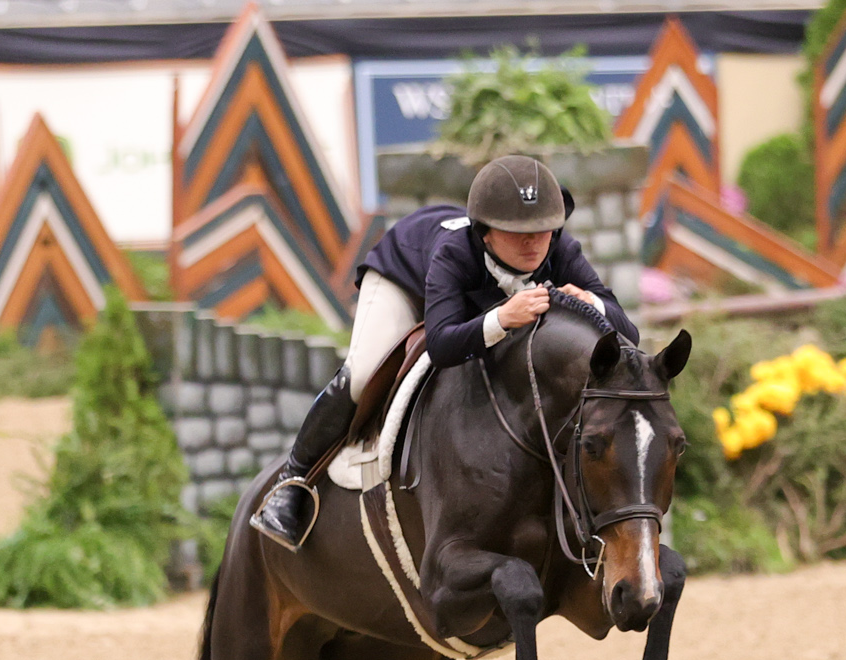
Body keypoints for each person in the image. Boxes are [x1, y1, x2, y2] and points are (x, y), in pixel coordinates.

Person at [249, 154, 640, 550]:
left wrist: (593, 302)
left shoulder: (561, 249)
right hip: (404, 277)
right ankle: (292, 483)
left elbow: (630, 333)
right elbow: (440, 344)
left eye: (543, 230)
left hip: (462, 298)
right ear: (485, 232)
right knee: (363, 373)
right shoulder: (454, 252)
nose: (533, 242)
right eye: (517, 231)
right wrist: (502, 319)